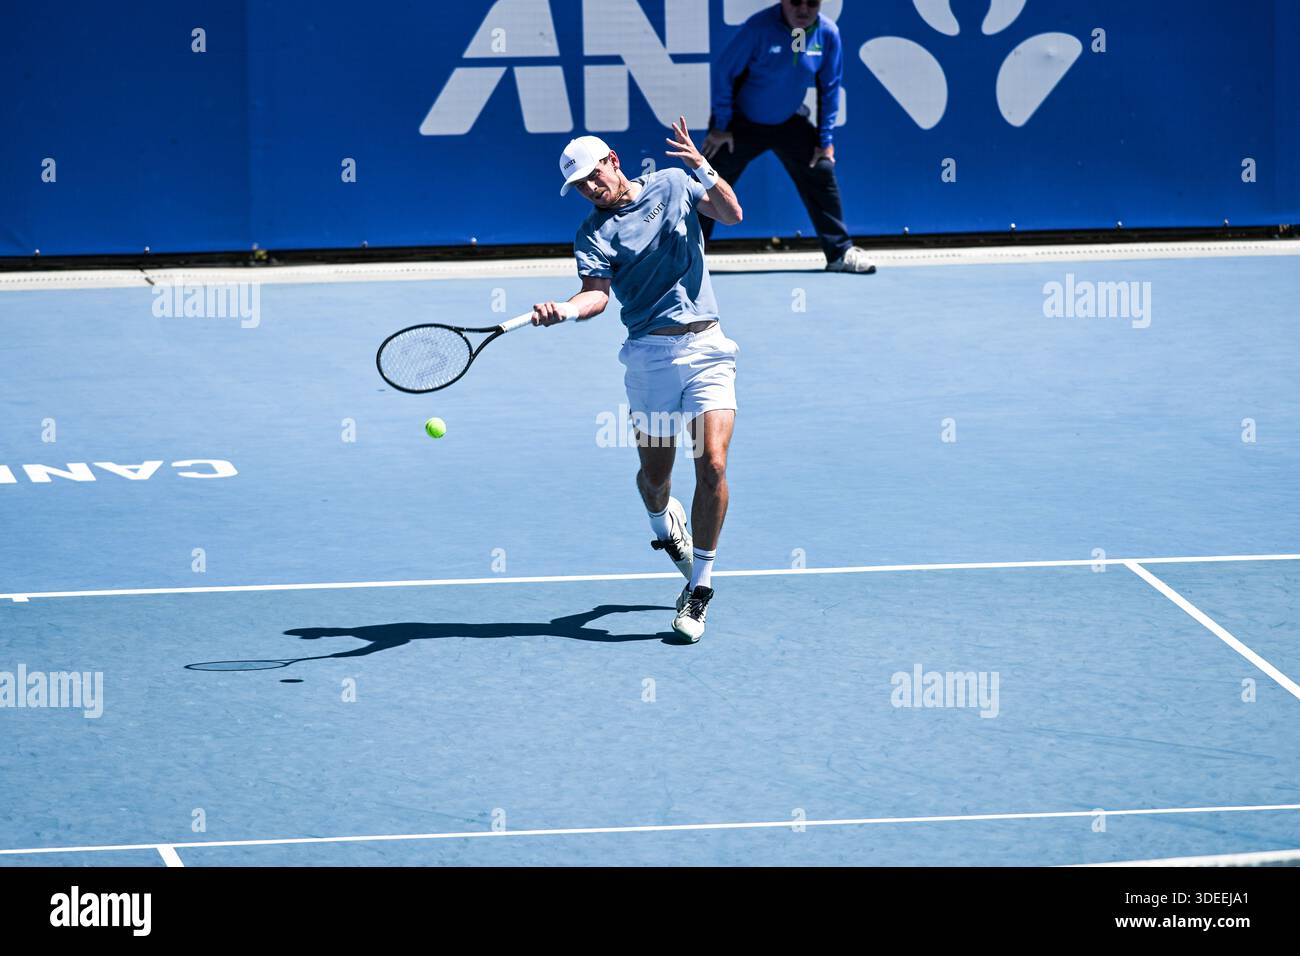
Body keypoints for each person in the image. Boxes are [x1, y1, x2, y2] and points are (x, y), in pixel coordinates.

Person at [531, 121, 743, 643]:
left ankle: (699, 588)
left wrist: (702, 166)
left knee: (712, 463)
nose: (588, 188)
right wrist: (566, 309)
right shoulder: (592, 234)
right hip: (649, 358)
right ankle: (659, 521)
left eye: (591, 175)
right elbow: (597, 294)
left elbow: (732, 214)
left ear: (614, 161)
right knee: (656, 476)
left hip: (708, 348)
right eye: (578, 185)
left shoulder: (673, 183)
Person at [703, 0, 875, 273]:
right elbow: (724, 72)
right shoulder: (758, 28)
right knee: (707, 180)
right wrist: (721, 125)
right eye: (795, 2)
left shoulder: (828, 33)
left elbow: (829, 88)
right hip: (738, 124)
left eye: (812, 3)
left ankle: (840, 253)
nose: (803, 10)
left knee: (821, 169)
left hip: (789, 121)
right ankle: (684, 258)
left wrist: (824, 141)